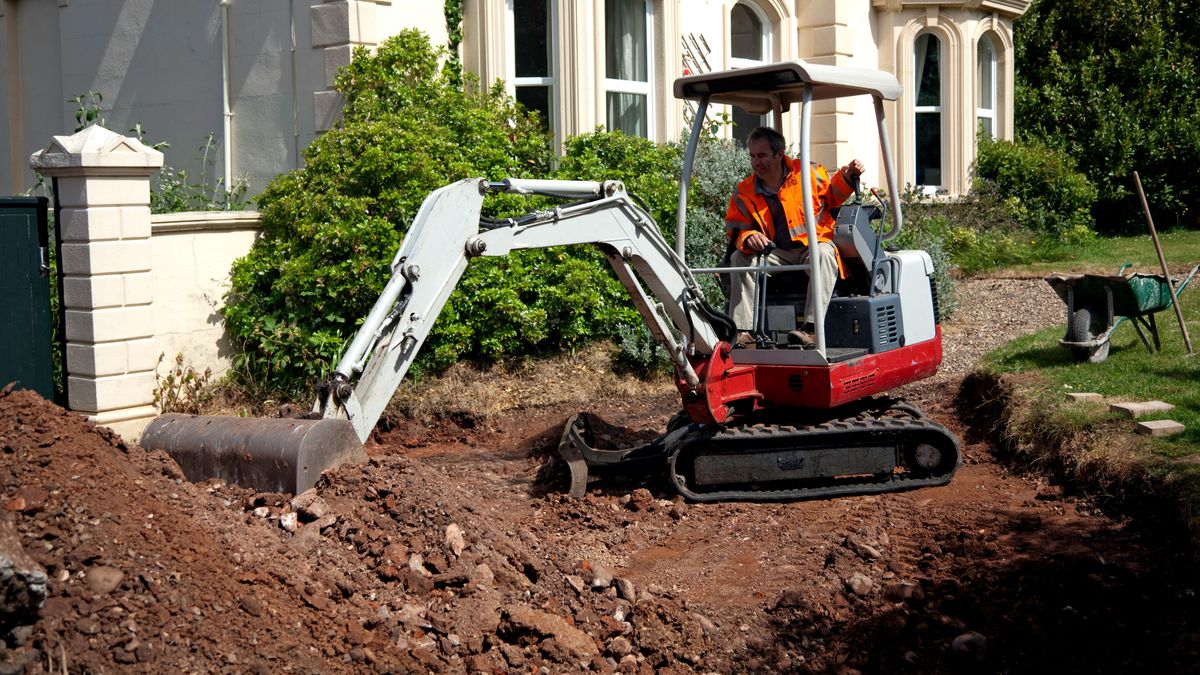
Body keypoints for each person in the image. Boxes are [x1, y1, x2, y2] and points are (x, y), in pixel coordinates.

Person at [724, 126, 862, 347]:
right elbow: (736, 229)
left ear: (779, 154)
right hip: (776, 253)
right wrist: (748, 237)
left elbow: (834, 196)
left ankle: (811, 329)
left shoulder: (808, 174)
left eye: (762, 155)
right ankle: (743, 331)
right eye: (752, 156)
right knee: (739, 259)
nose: (756, 162)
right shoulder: (744, 191)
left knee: (824, 254)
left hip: (812, 245)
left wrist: (847, 178)